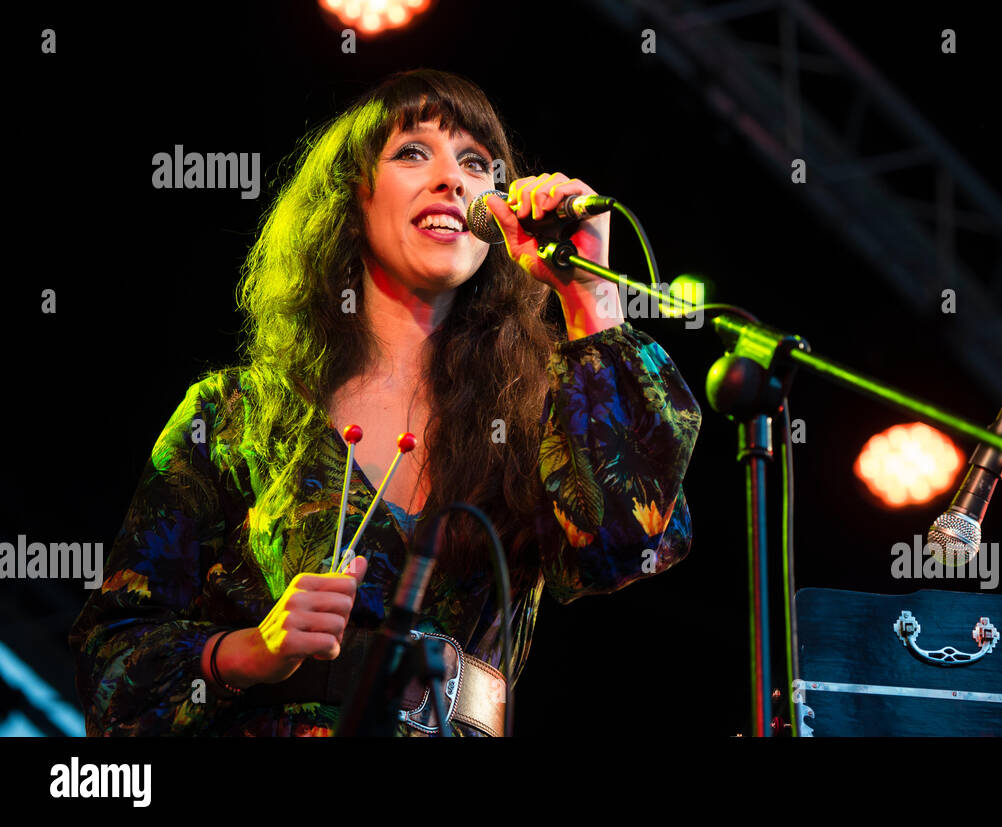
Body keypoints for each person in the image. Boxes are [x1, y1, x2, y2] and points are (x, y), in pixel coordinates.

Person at [69, 69, 701, 736]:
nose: (452, 179)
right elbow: (111, 664)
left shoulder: (542, 414)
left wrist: (587, 297)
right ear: (353, 197)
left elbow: (625, 547)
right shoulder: (235, 412)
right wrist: (250, 651)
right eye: (412, 151)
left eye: (477, 162)